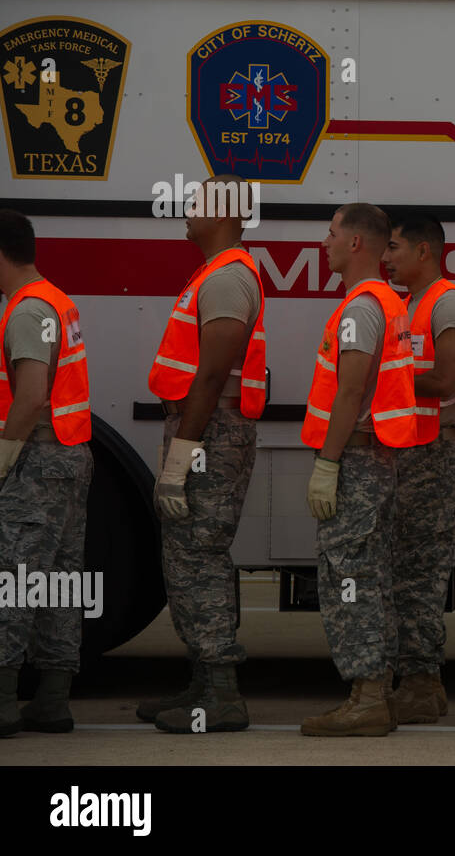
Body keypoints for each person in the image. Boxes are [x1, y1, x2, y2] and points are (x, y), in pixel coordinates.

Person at [138, 175, 268, 734]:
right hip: (206, 430)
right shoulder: (216, 274)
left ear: (221, 212)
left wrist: (182, 452)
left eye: (194, 204)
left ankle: (221, 692)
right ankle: (201, 679)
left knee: (200, 552)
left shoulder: (228, 277)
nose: (186, 212)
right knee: (186, 552)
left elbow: (213, 373)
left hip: (211, 433)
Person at [300, 203, 417, 737]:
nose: (322, 243)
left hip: (358, 458)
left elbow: (351, 390)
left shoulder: (360, 308)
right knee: (371, 576)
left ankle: (367, 697)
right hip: (377, 456)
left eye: (330, 234)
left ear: (354, 245)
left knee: (349, 576)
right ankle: (378, 693)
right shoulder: (386, 303)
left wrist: (327, 462)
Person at [381, 213, 455, 723]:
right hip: (408, 451)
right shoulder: (409, 304)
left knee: (418, 576)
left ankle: (421, 684)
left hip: (429, 455)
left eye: (396, 247)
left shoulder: (448, 302)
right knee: (403, 572)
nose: (387, 257)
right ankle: (420, 683)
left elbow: (446, 378)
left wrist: (376, 379)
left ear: (424, 251)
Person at [0, 209, 93, 737]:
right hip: (68, 456)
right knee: (57, 583)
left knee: (15, 581)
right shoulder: (55, 300)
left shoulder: (27, 310)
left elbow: (32, 394)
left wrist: (5, 454)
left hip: (37, 460)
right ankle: (53, 701)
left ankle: (3, 703)